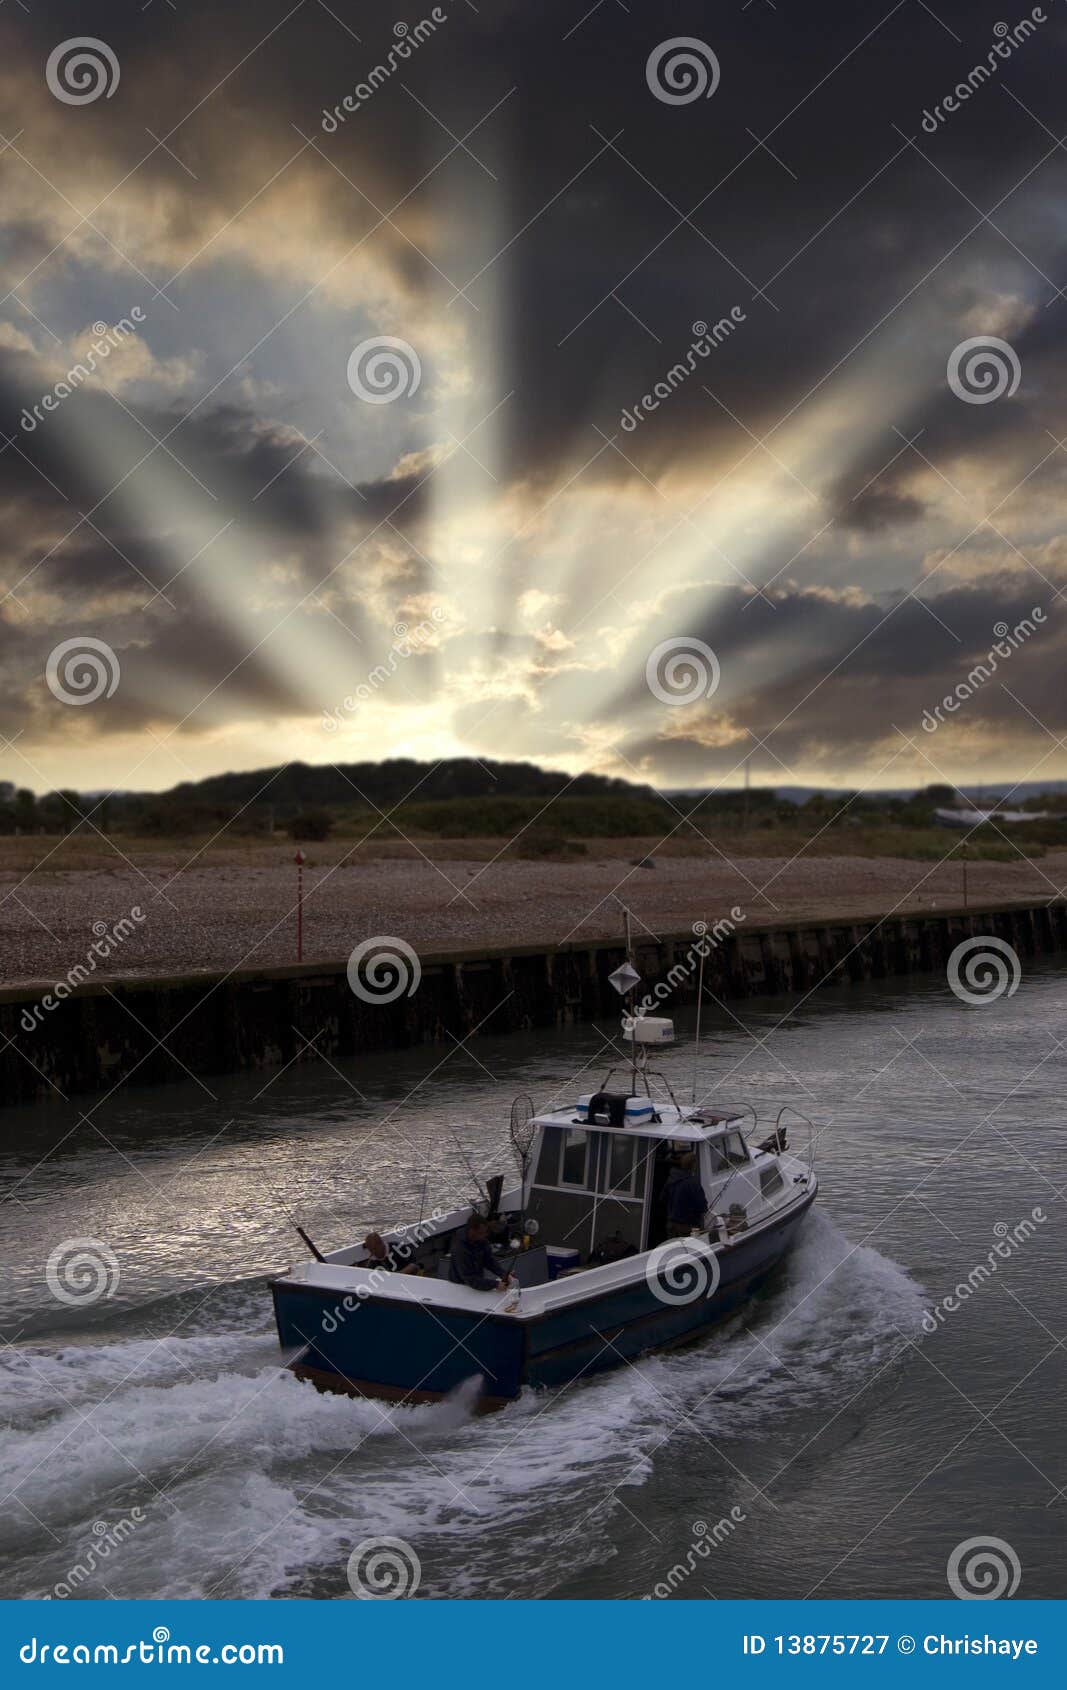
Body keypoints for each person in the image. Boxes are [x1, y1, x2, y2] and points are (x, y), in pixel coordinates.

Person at [448, 1215, 512, 1291]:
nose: (484, 1236)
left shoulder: (481, 1239)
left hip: (477, 1281)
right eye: (481, 1233)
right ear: (472, 1231)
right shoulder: (459, 1249)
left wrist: (503, 1274)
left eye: (485, 1232)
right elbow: (470, 1278)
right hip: (460, 1286)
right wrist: (496, 1284)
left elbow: (489, 1261)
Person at [664, 1152, 707, 1237]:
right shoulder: (693, 1183)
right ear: (693, 1165)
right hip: (687, 1228)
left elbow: (663, 1198)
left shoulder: (671, 1179)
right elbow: (702, 1207)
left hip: (671, 1225)